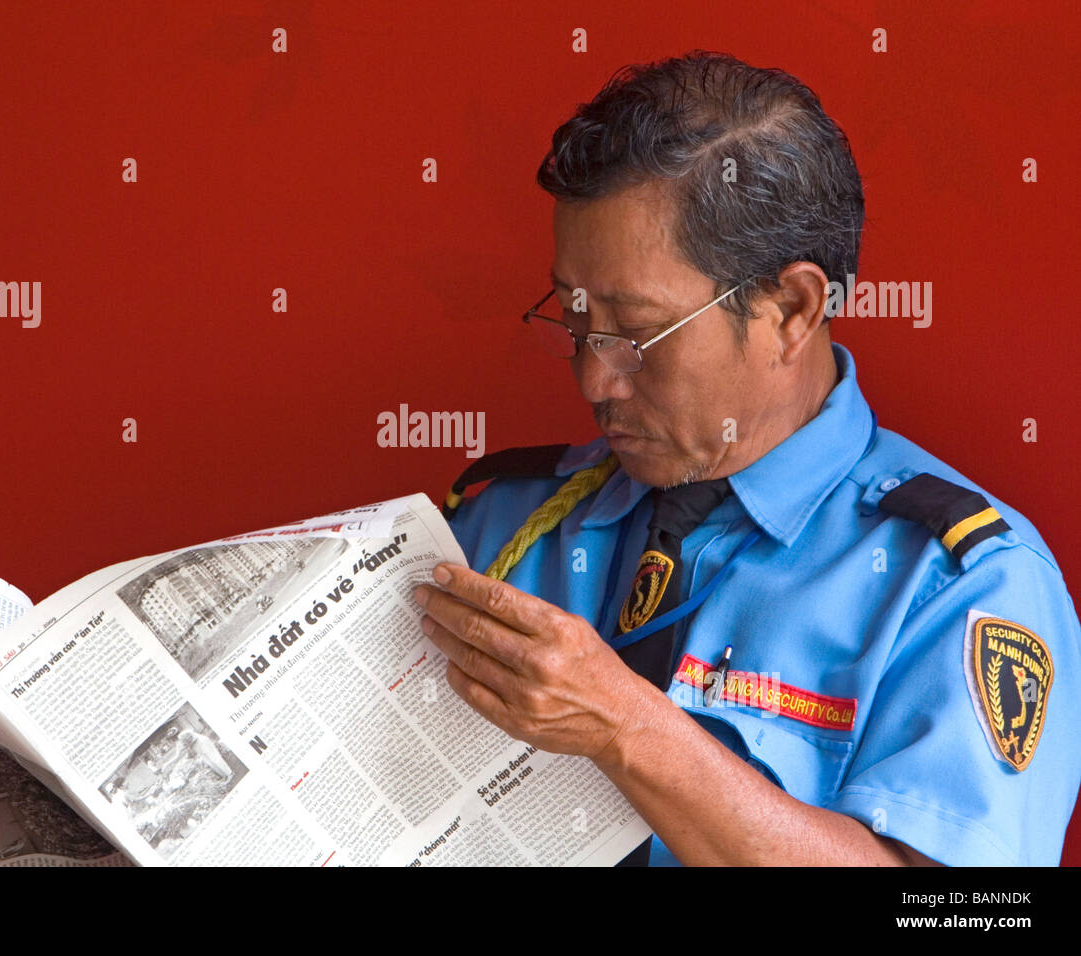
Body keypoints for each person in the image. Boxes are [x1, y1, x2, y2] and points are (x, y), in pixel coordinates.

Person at [414, 51, 1081, 866]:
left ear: (794, 308)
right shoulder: (497, 524)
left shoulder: (960, 584)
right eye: (577, 319)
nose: (594, 376)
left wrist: (631, 729)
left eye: (635, 332)